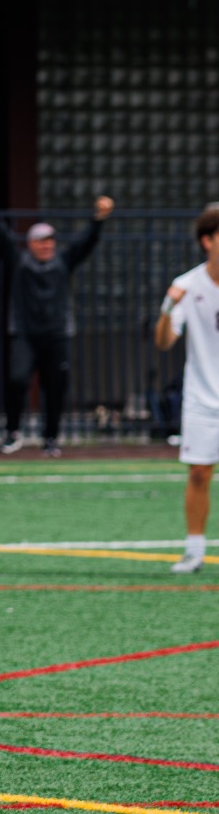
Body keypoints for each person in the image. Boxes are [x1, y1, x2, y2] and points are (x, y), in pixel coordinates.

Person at [0, 183, 116, 457]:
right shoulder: (20, 262)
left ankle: (50, 438)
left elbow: (85, 242)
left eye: (50, 240)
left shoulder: (63, 262)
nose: (47, 245)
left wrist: (98, 219)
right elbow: (1, 238)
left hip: (57, 334)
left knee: (56, 387)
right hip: (25, 334)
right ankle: (12, 432)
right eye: (41, 240)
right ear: (31, 244)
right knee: (17, 380)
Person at [154, 205, 219, 574]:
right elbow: (164, 342)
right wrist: (167, 308)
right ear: (207, 241)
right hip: (202, 397)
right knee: (198, 474)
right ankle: (194, 549)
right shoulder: (188, 285)